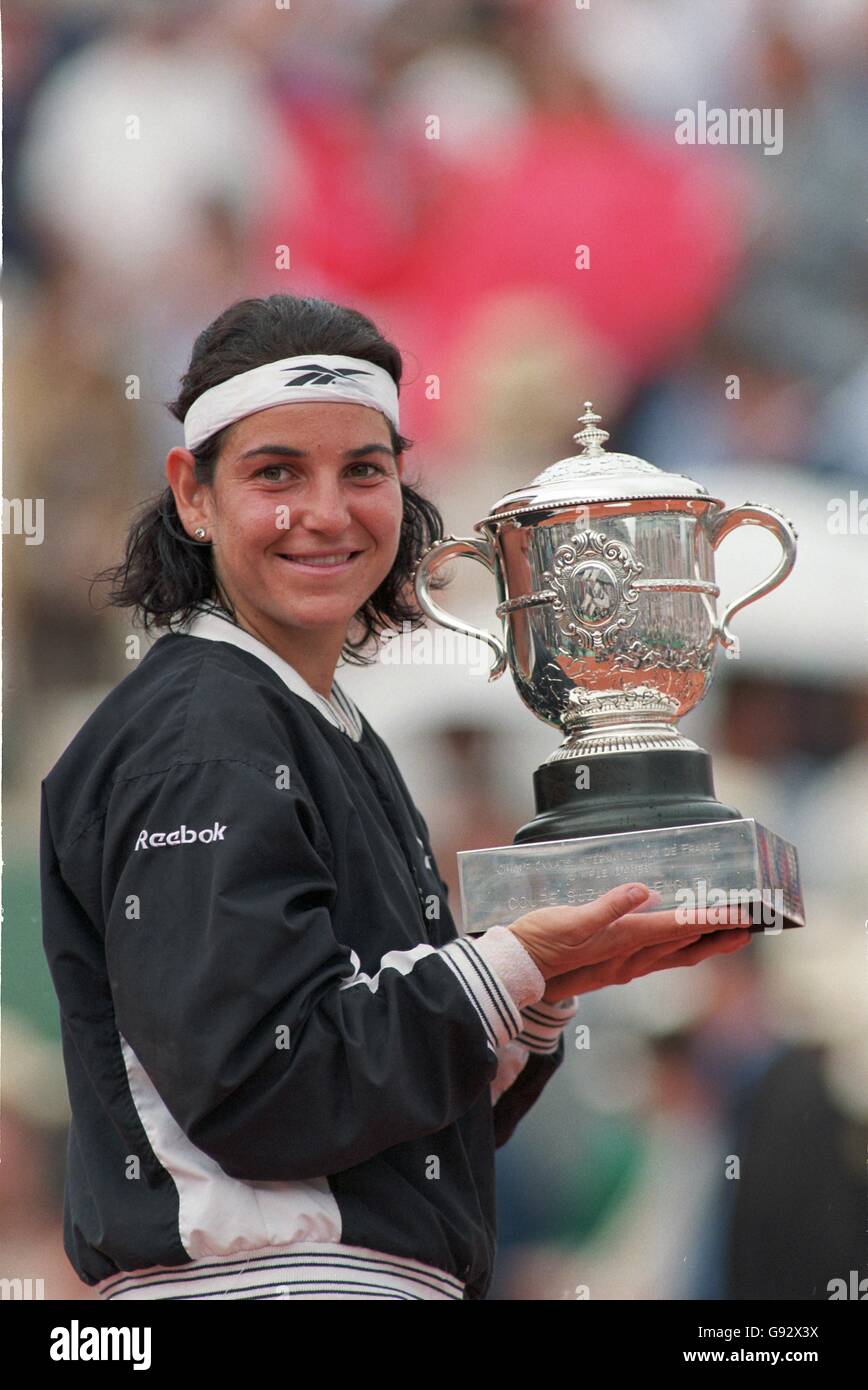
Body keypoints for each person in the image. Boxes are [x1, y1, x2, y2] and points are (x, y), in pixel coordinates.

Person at [39, 293, 750, 1302]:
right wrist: (507, 965)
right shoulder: (205, 734)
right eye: (276, 472)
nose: (327, 512)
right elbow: (261, 1085)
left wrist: (541, 988)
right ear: (192, 494)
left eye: (362, 471)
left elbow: (378, 1119)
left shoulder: (312, 720)